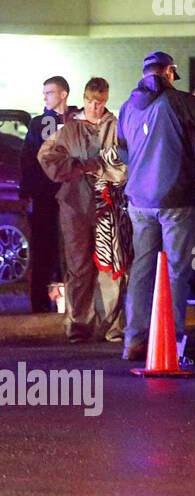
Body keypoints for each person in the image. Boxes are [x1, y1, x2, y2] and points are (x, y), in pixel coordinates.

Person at [116, 51, 195, 361]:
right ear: (169, 72)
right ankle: (172, 340)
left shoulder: (127, 108)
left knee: (141, 268)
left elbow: (123, 152)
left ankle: (135, 339)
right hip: (176, 199)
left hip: (139, 201)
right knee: (176, 271)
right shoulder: (176, 101)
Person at [37, 77, 129, 342]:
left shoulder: (115, 126)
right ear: (84, 98)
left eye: (100, 103)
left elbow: (125, 160)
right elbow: (46, 155)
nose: (95, 108)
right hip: (74, 203)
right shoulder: (70, 127)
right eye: (90, 102)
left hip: (107, 204)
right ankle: (78, 324)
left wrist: (99, 166)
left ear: (106, 101)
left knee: (110, 263)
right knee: (78, 265)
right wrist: (72, 168)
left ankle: (109, 325)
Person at [20, 75, 77, 313]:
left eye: (49, 92)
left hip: (72, 194)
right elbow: (29, 160)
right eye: (44, 93)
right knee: (44, 247)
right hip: (46, 196)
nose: (45, 97)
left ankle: (72, 302)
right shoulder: (39, 124)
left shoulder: (76, 119)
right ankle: (40, 303)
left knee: (73, 248)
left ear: (63, 94)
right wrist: (30, 192)